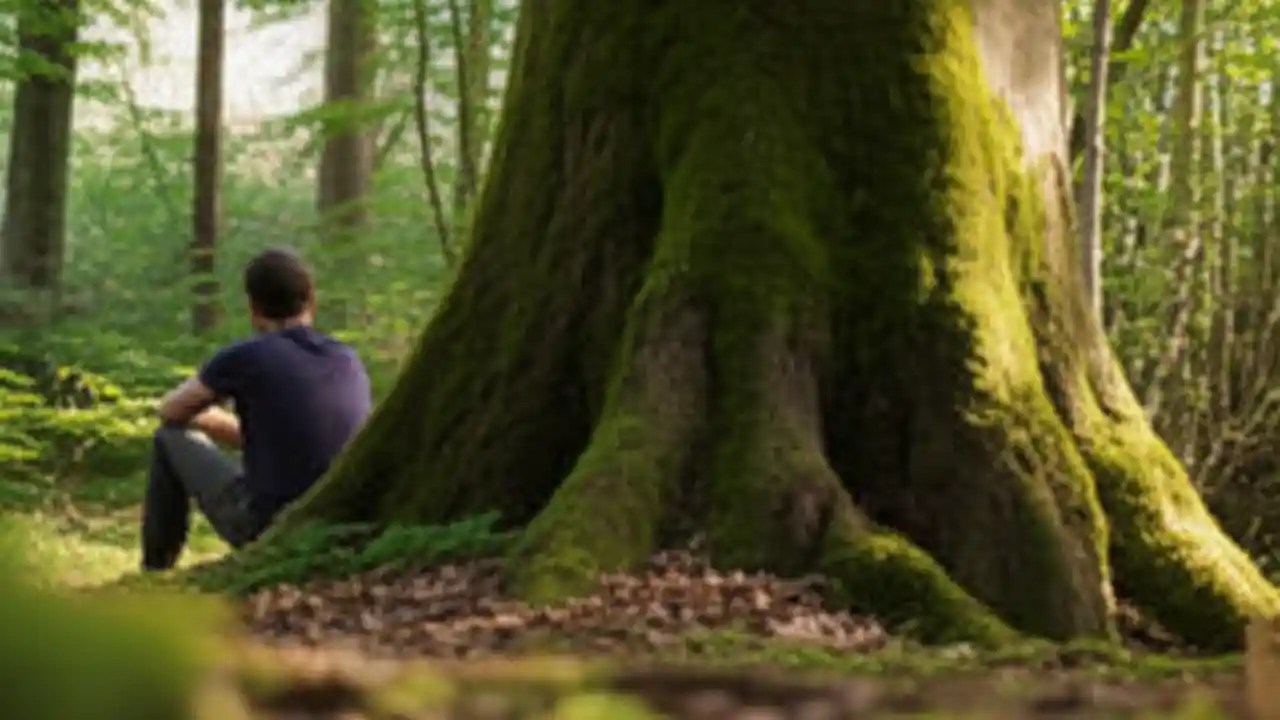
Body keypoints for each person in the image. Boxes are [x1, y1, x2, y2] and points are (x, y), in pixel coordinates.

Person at [142, 248, 371, 570]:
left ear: (253, 307)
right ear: (311, 299)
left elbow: (170, 411)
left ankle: (155, 569)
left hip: (266, 526)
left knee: (169, 437)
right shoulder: (346, 359)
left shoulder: (246, 357)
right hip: (338, 521)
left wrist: (212, 419)